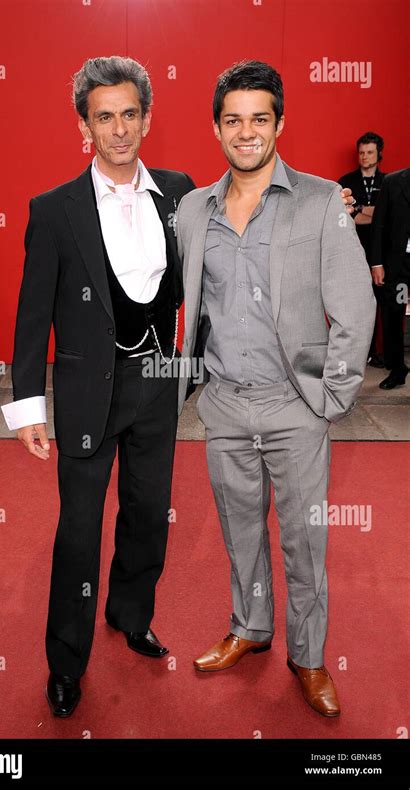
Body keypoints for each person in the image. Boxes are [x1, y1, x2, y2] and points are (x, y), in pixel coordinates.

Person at [176, 60, 375, 717]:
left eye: (259, 118)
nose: (246, 132)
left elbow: (355, 308)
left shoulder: (320, 203)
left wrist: (331, 399)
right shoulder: (193, 210)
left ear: (280, 123)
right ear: (216, 128)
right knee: (240, 534)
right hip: (225, 406)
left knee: (304, 543)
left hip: (296, 407)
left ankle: (309, 657)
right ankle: (251, 628)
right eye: (233, 120)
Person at [1, 55, 195, 717]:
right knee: (79, 533)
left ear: (147, 118)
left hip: (159, 385)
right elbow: (32, 316)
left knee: (148, 515)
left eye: (129, 114)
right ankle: (65, 662)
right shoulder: (54, 210)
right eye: (104, 117)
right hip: (89, 392)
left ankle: (131, 615)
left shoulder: (179, 193)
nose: (119, 129)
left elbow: (207, 272)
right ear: (85, 125)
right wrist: (28, 405)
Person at [338, 132, 386, 367]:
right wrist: (374, 212)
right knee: (356, 304)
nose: (364, 157)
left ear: (379, 154)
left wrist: (361, 209)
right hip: (353, 248)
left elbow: (388, 217)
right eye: (361, 153)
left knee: (381, 302)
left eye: (369, 152)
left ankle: (378, 352)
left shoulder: (387, 181)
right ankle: (360, 352)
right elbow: (350, 217)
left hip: (382, 251)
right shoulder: (346, 181)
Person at [370, 168, 410, 389]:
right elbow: (379, 224)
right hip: (399, 264)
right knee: (394, 314)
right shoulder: (392, 182)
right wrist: (377, 263)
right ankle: (397, 369)